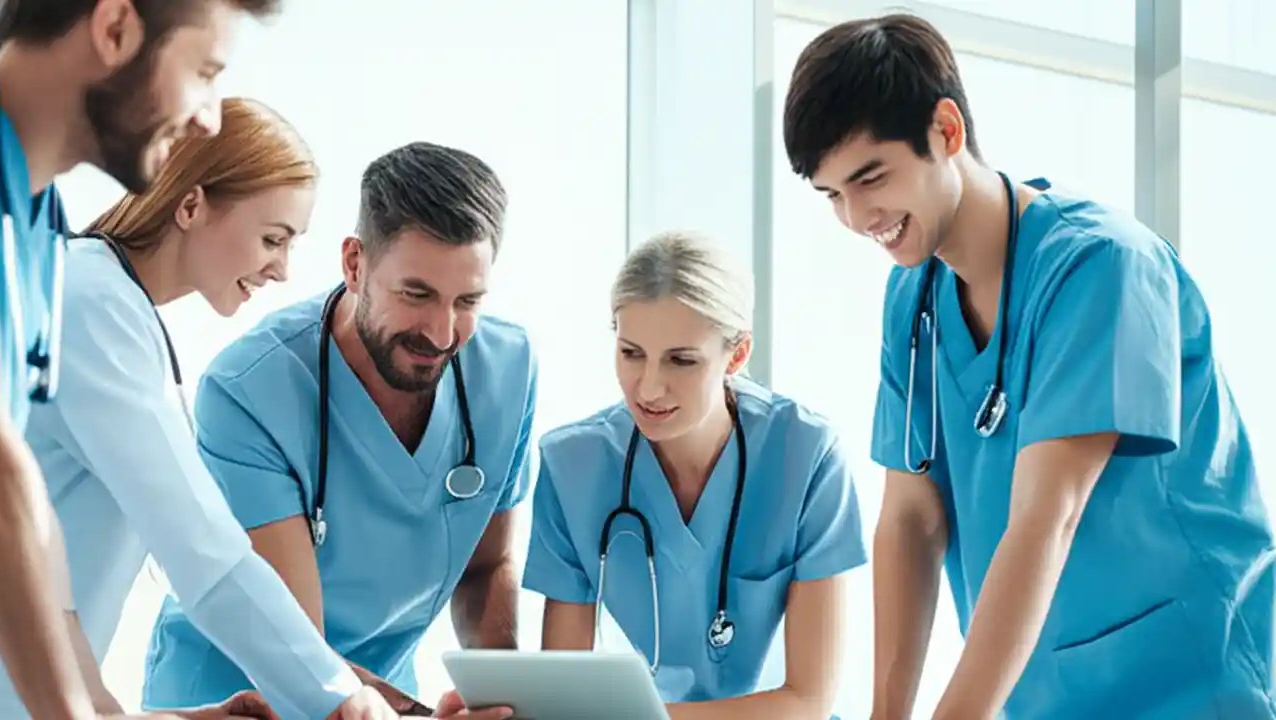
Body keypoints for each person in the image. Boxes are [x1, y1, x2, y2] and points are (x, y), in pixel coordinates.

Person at [782, 12, 1276, 720]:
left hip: (1190, 683)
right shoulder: (913, 298)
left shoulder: (1101, 266)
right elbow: (912, 520)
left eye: (871, 177)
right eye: (833, 195)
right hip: (1044, 697)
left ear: (946, 131)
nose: (858, 218)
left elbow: (1049, 514)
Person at [10, 96, 418, 720]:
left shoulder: (114, 308)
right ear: (191, 205)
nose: (282, 270)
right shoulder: (94, 306)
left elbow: (55, 600)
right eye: (272, 238)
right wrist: (339, 698)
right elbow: (204, 553)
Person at [142, 140, 532, 719]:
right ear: (355, 264)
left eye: (467, 300)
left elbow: (485, 568)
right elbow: (295, 648)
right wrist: (422, 717)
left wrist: (499, 703)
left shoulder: (507, 370)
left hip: (386, 698)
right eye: (416, 294)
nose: (442, 333)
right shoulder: (249, 390)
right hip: (238, 694)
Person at [0, 1, 276, 717]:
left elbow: (37, 567)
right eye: (205, 71)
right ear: (115, 28)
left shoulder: (38, 230)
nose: (209, 118)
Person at [524, 230, 865, 719]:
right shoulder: (572, 466)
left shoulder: (806, 455)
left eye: (681, 360)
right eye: (631, 352)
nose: (649, 388)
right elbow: (563, 696)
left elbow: (809, 700)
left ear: (737, 355)